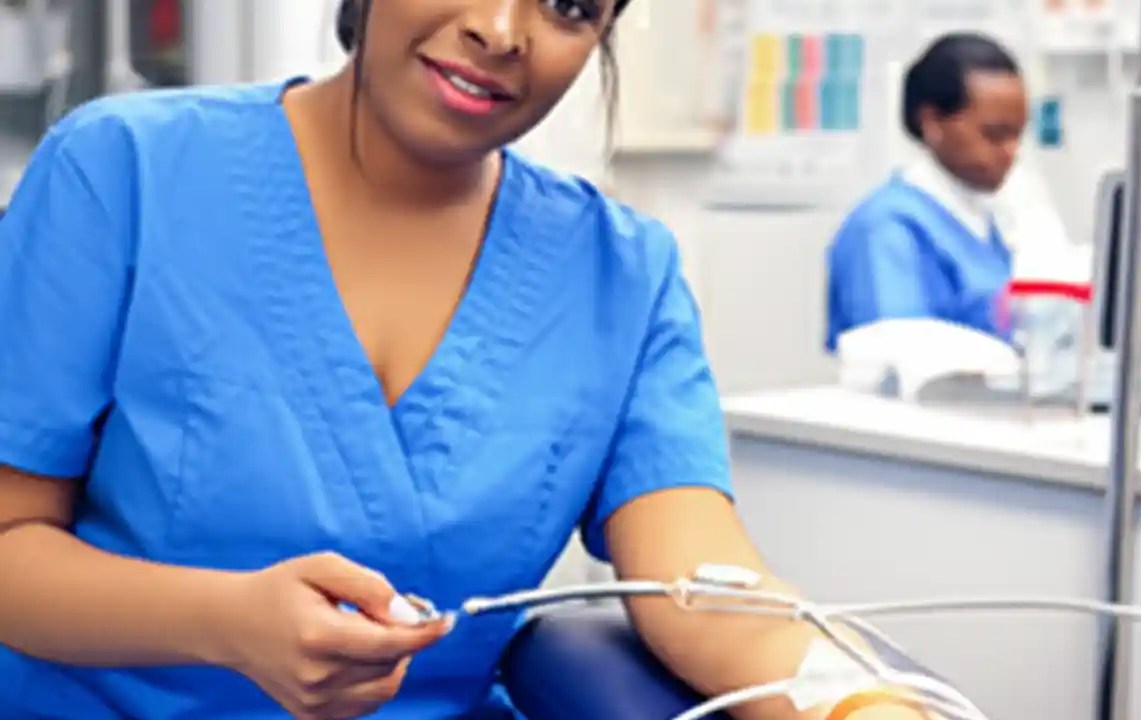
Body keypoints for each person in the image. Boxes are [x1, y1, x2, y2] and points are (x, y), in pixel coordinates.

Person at [0, 1, 939, 718]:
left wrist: (854, 699)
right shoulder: (123, 173)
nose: (501, 30)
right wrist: (228, 623)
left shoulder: (620, 273)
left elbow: (702, 582)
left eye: (569, 5)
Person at [825, 33, 1028, 352]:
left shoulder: (982, 221)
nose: (1011, 151)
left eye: (1017, 134)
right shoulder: (886, 229)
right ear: (932, 121)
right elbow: (896, 354)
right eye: (994, 134)